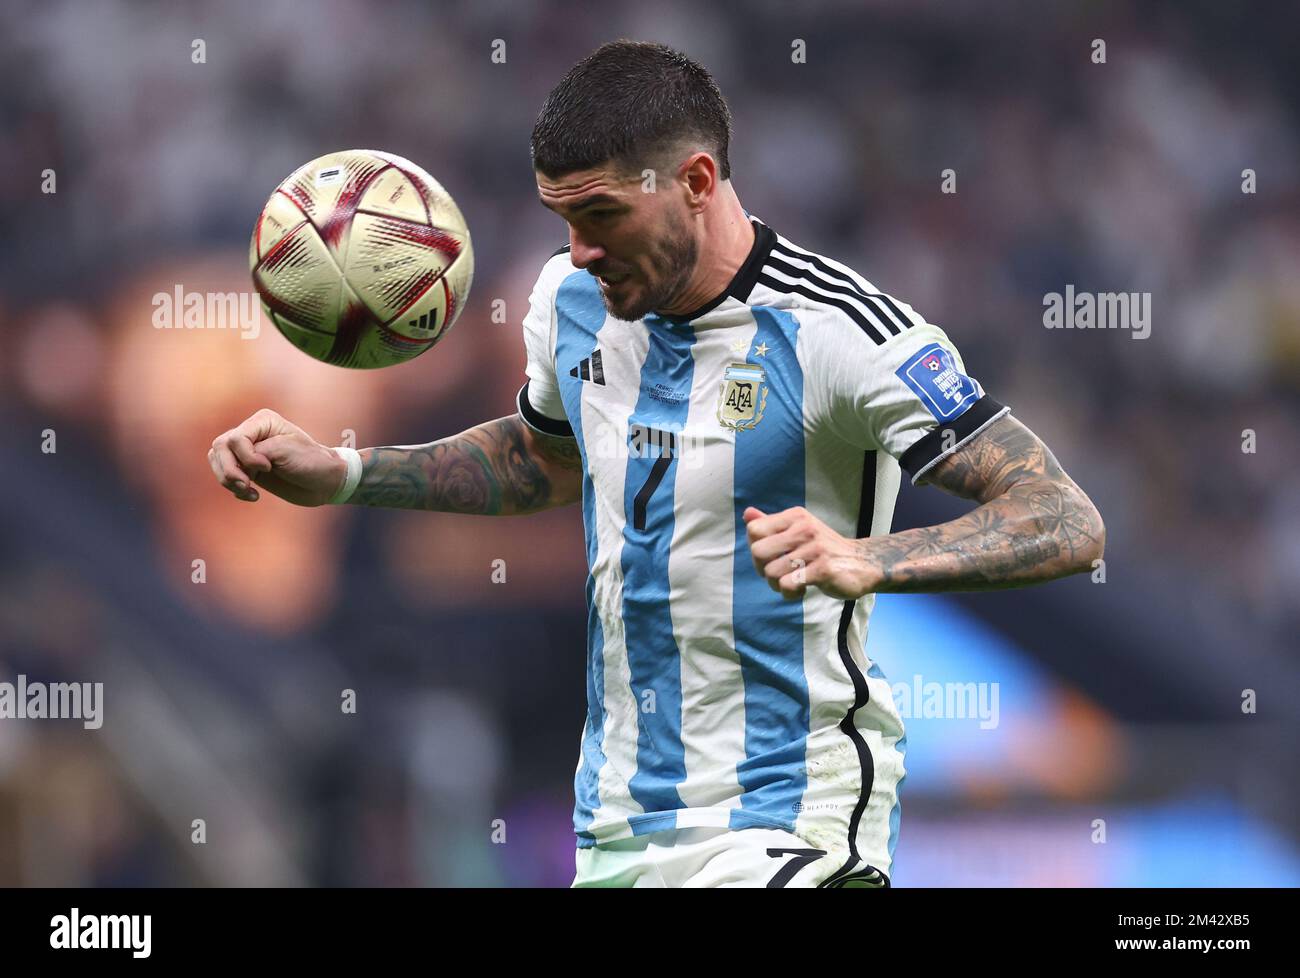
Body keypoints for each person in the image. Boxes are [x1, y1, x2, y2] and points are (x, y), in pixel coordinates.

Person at [208, 40, 1104, 887]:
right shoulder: (572, 303)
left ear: (697, 182)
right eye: (563, 218)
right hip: (619, 828)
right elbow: (541, 462)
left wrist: (870, 557)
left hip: (787, 823)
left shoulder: (841, 332)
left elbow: (1064, 517)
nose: (581, 249)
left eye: (602, 215)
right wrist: (347, 473)